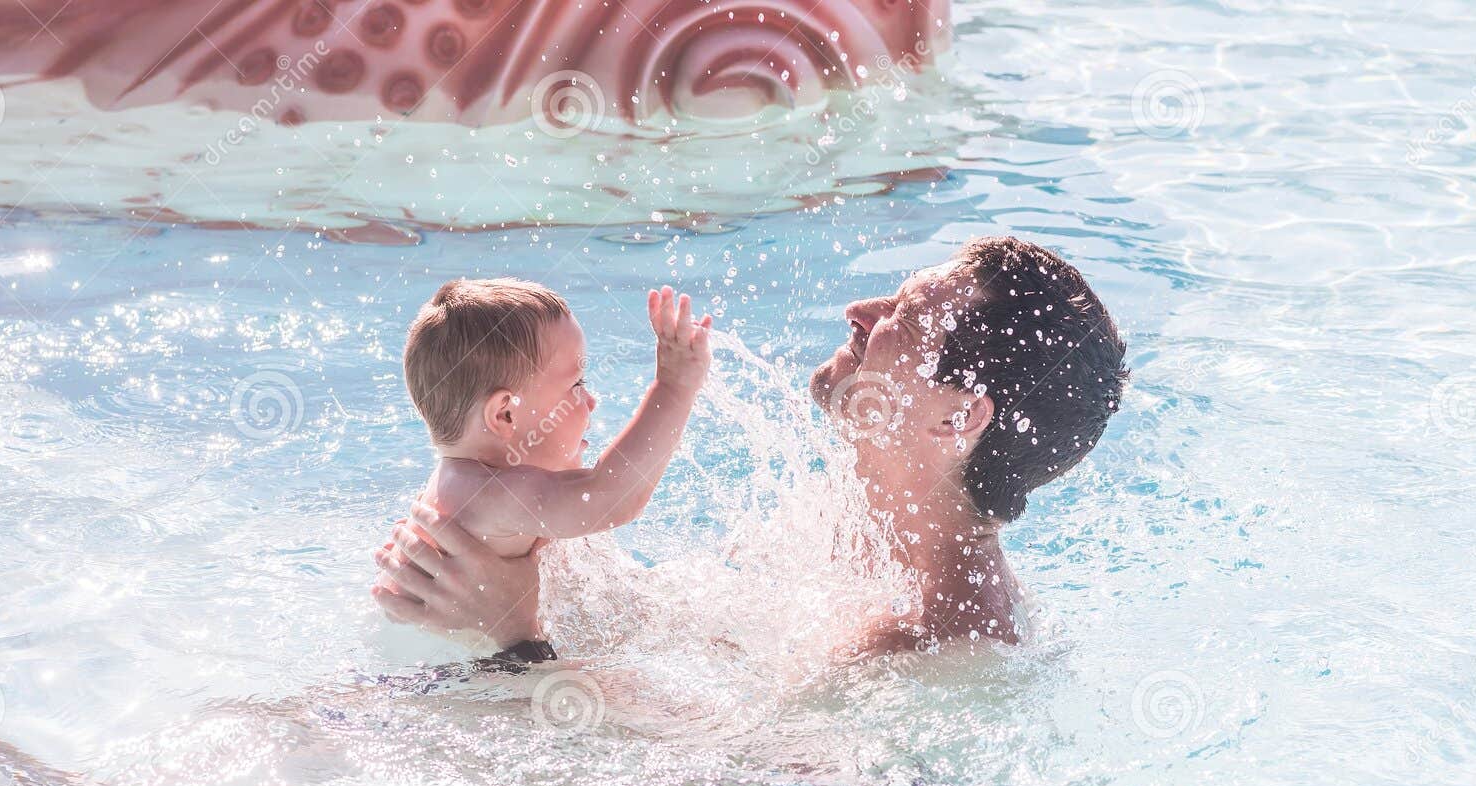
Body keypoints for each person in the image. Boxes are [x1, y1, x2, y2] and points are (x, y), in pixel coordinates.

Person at [373, 236, 1127, 659]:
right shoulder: (839, 523)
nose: (860, 309)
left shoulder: (946, 645)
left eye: (903, 315)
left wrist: (515, 643)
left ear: (956, 419)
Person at [376, 278, 710, 618]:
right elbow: (610, 498)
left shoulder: (461, 481)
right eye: (576, 385)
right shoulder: (491, 493)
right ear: (505, 414)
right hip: (456, 669)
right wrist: (673, 386)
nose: (591, 401)